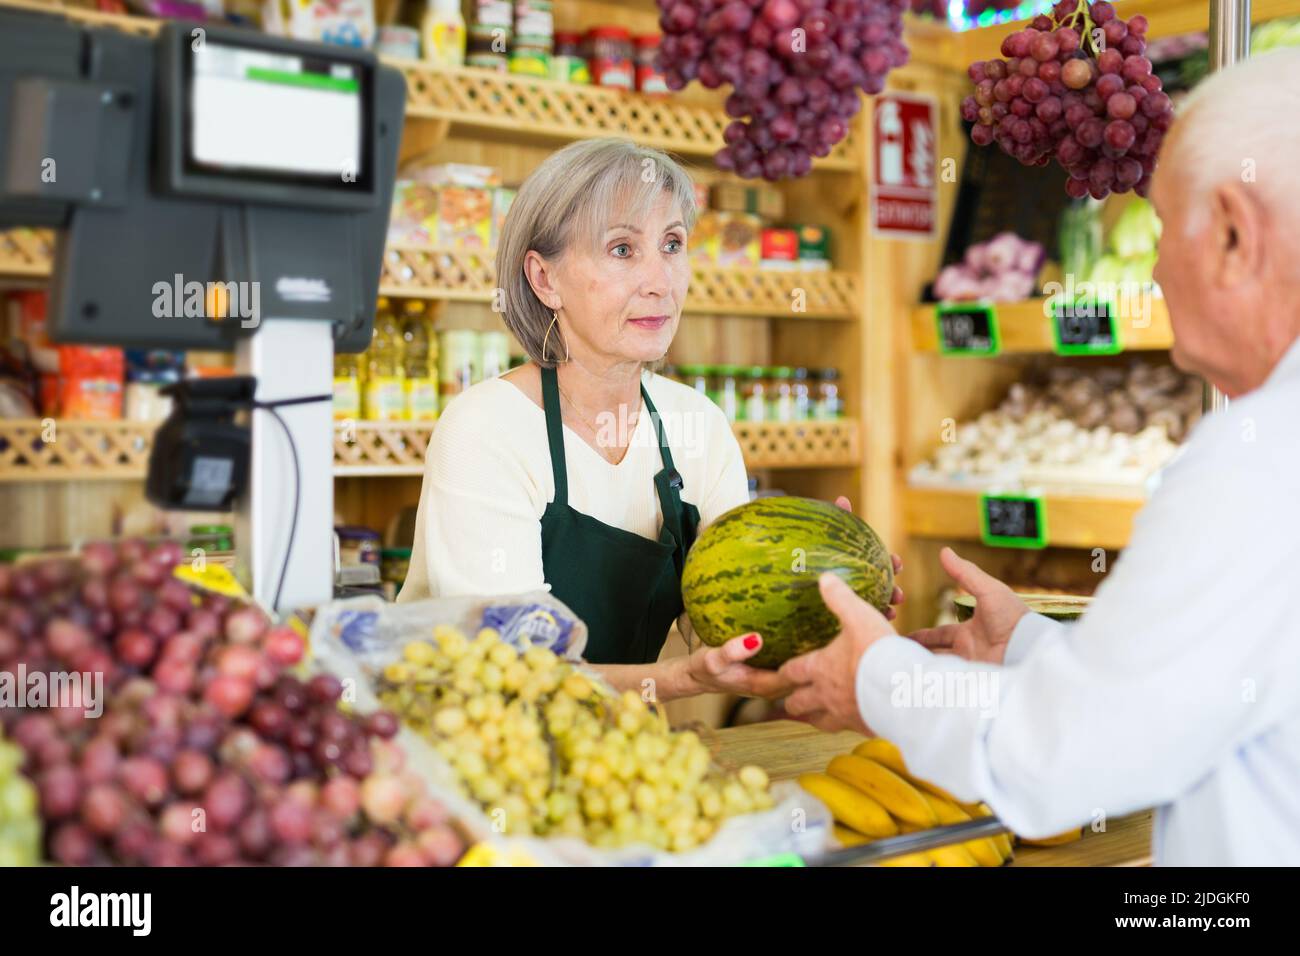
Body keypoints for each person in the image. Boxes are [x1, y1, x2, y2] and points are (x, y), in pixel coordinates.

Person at [778, 50, 1300, 864]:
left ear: (1234, 233)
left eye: (1166, 229)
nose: (1158, 268)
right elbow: (1170, 706)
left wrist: (882, 682)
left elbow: (1064, 762)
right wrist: (1028, 647)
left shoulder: (1258, 462)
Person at [397, 137, 901, 700]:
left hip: (617, 757)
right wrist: (672, 679)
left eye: (672, 244)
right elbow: (511, 671)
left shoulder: (697, 426)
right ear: (545, 279)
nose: (660, 281)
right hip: (457, 749)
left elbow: (728, 621)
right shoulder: (486, 428)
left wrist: (823, 592)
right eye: (621, 250)